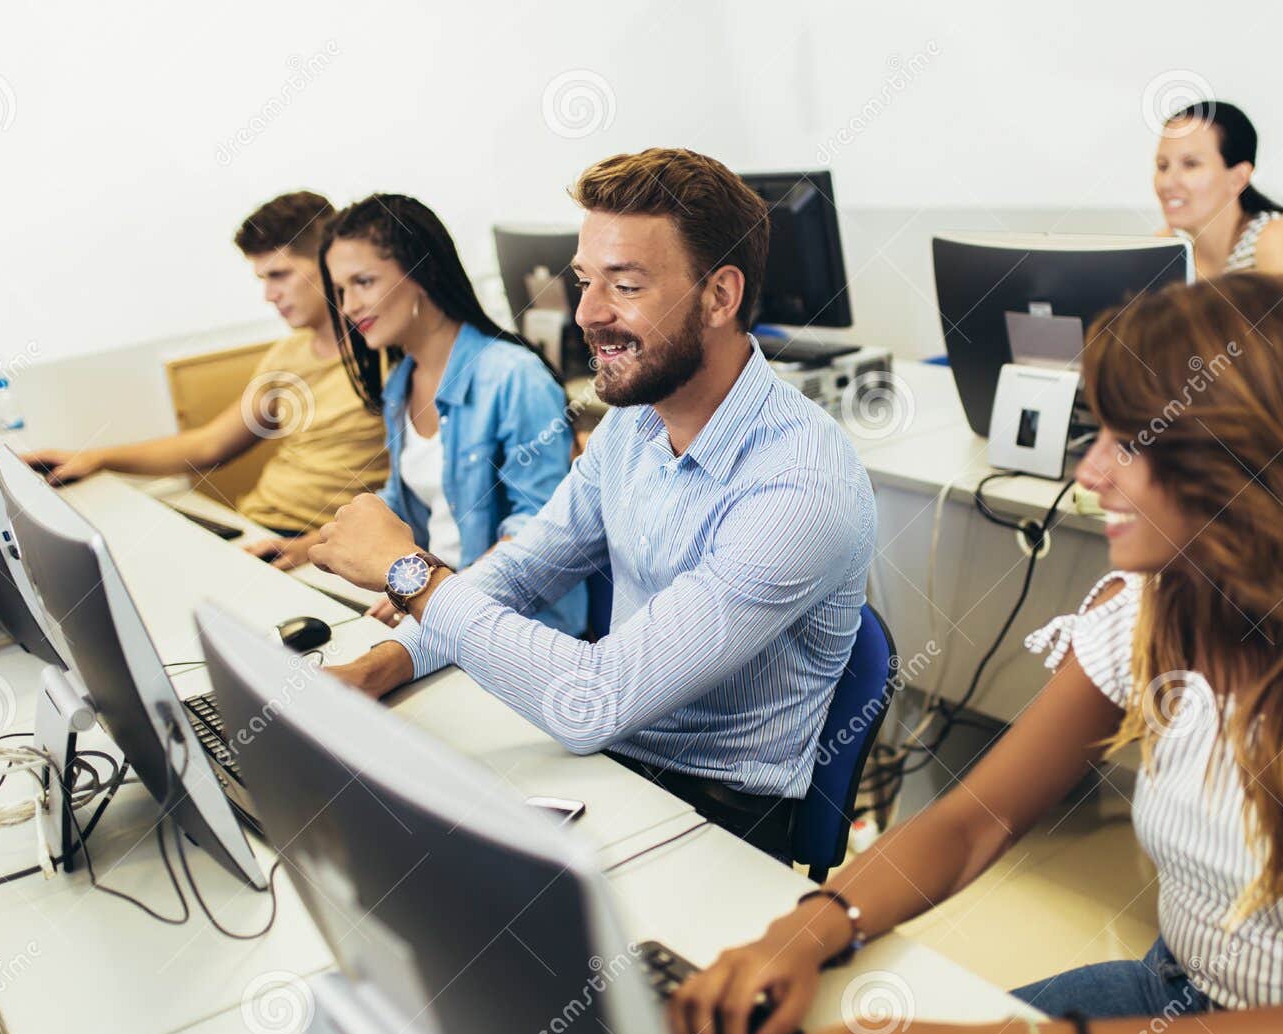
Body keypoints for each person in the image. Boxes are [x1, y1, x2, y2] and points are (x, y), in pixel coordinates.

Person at [667, 274, 1283, 1034]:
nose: (1088, 471)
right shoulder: (1156, 610)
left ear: (1241, 471)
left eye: (1128, 444)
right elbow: (976, 817)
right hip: (1180, 994)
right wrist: (812, 929)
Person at [306, 149, 877, 862]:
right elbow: (519, 573)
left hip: (716, 817)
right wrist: (381, 666)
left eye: (625, 286)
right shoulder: (635, 423)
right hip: (611, 763)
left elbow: (595, 701)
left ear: (720, 296)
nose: (586, 314)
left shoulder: (801, 485)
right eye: (584, 282)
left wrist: (411, 574)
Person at [247, 194, 585, 637]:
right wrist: (317, 543)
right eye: (340, 290)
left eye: (363, 282)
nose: (347, 307)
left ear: (421, 272)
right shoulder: (401, 381)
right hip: (436, 607)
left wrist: (430, 592)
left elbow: (536, 532)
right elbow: (407, 499)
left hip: (511, 624)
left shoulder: (513, 377)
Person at [23, 192, 389, 534]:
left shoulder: (389, 355)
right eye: (262, 279)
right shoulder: (287, 356)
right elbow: (210, 445)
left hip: (313, 543)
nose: (269, 295)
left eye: (280, 275)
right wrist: (98, 457)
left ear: (330, 265)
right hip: (255, 525)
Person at [1155, 101, 1283, 291]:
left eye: (1191, 164)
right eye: (1162, 166)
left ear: (1238, 178)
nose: (1167, 182)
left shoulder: (1279, 238)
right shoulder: (1168, 247)